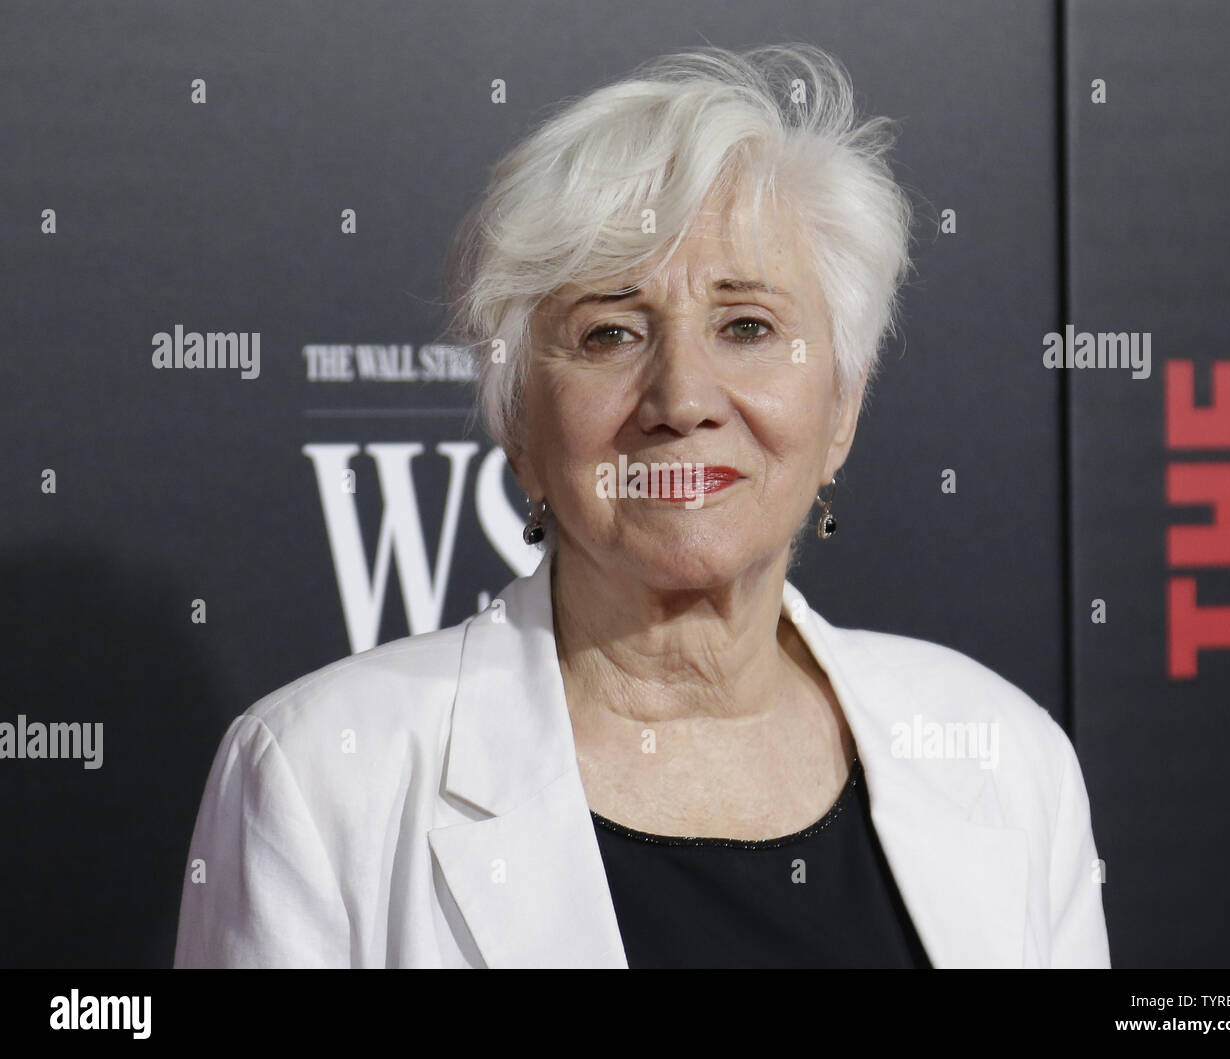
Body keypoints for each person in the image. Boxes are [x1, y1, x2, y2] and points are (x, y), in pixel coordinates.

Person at [174, 43, 1109, 968]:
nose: (682, 398)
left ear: (842, 409)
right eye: (610, 332)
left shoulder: (1004, 759)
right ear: (519, 423)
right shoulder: (320, 778)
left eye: (747, 326)